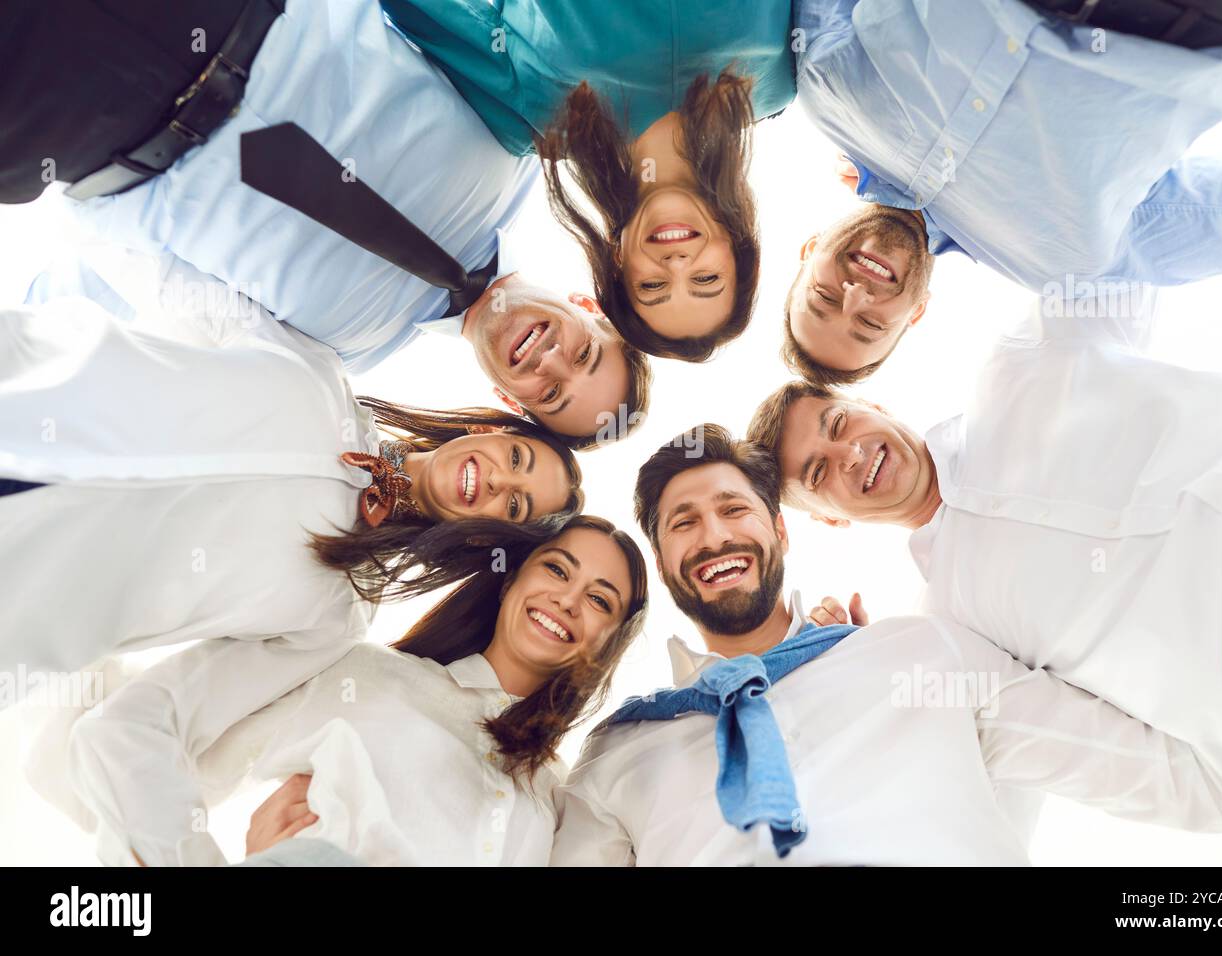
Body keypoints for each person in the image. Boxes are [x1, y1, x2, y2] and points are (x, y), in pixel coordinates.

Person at [549, 425, 1222, 866]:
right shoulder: (618, 755)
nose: (713, 536)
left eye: (734, 509)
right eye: (682, 523)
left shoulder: (921, 654)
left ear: (780, 533)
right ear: (665, 559)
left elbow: (1173, 781)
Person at [1, 0, 649, 446]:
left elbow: (148, 292)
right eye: (585, 352)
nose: (552, 363)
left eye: (552, 395)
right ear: (585, 303)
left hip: (80, 125)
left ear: (513, 403)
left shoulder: (336, 358)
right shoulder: (517, 143)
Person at [748, 293, 1222, 802]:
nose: (848, 453)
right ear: (829, 520)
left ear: (874, 405)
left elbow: (1113, 224)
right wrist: (873, 664)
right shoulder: (950, 635)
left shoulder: (1021, 363)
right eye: (819, 472)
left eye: (838, 422)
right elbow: (1090, 760)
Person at [0, 283, 583, 682]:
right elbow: (167, 280)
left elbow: (169, 709)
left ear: (487, 538)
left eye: (515, 506)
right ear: (486, 427)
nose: (499, 480)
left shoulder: (336, 615)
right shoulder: (319, 373)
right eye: (516, 457)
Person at [64, 516, 648, 866]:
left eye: (600, 600)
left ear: (609, 640)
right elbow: (129, 732)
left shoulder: (556, 799)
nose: (568, 599)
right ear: (510, 581)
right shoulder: (356, 670)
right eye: (556, 569)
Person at [782, 0, 1222, 384]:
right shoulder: (1065, 266)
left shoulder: (824, 85)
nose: (856, 295)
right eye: (871, 324)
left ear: (808, 252)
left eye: (823, 296)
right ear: (916, 314)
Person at [381, 0, 798, 361]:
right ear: (738, 247)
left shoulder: (533, 122)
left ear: (618, 262)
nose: (676, 266)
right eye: (706, 279)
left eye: (652, 285)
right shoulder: (779, 78)